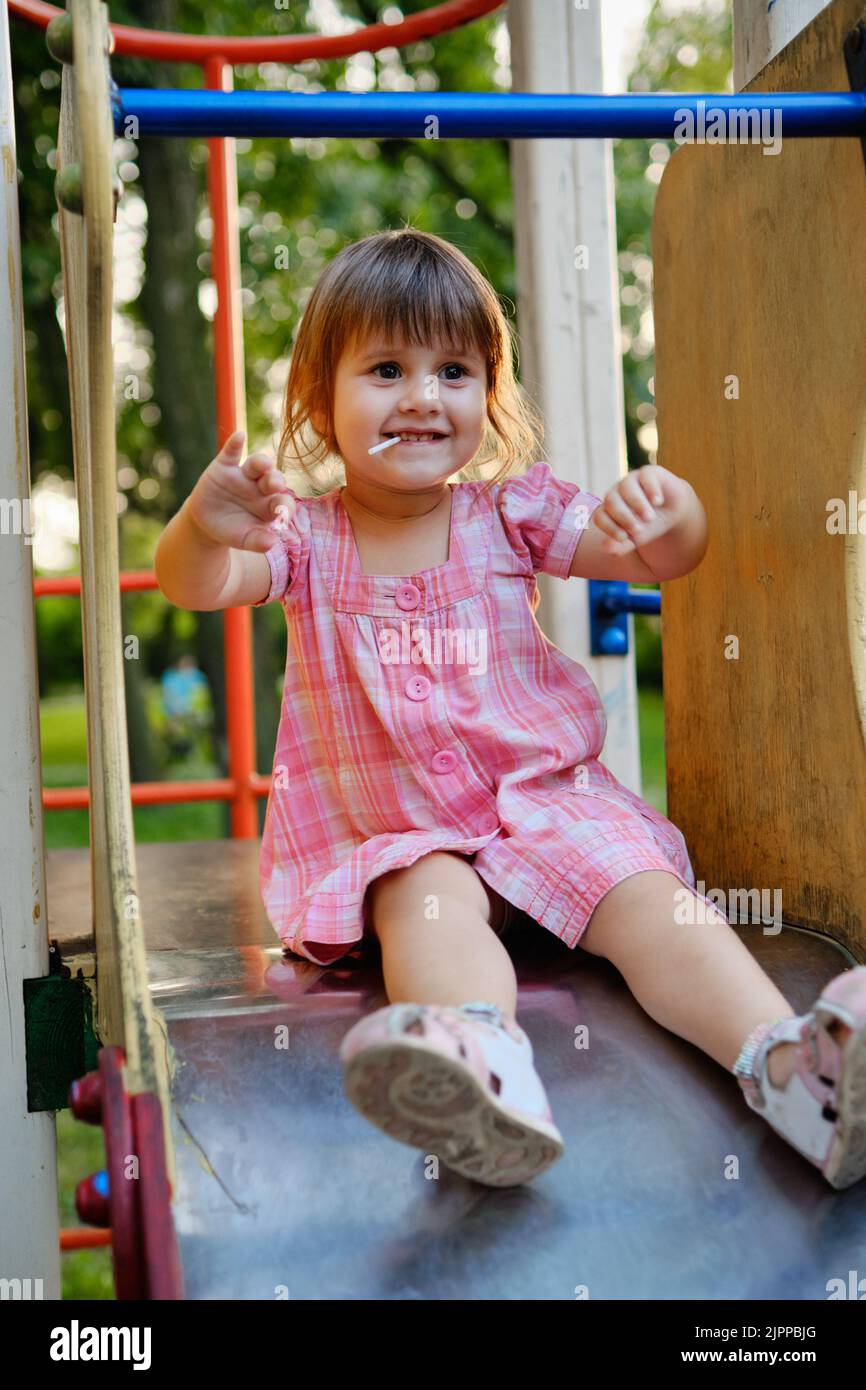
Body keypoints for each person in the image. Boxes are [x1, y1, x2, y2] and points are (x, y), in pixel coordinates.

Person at [154, 228, 866, 1191]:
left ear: (487, 397)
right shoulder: (307, 541)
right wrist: (203, 524)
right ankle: (484, 1076)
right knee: (424, 904)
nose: (421, 396)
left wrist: (673, 514)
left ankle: (791, 1071)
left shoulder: (510, 515)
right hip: (404, 831)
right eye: (386, 368)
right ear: (321, 398)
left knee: (655, 904)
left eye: (454, 369)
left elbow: (659, 559)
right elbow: (198, 584)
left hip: (547, 804)